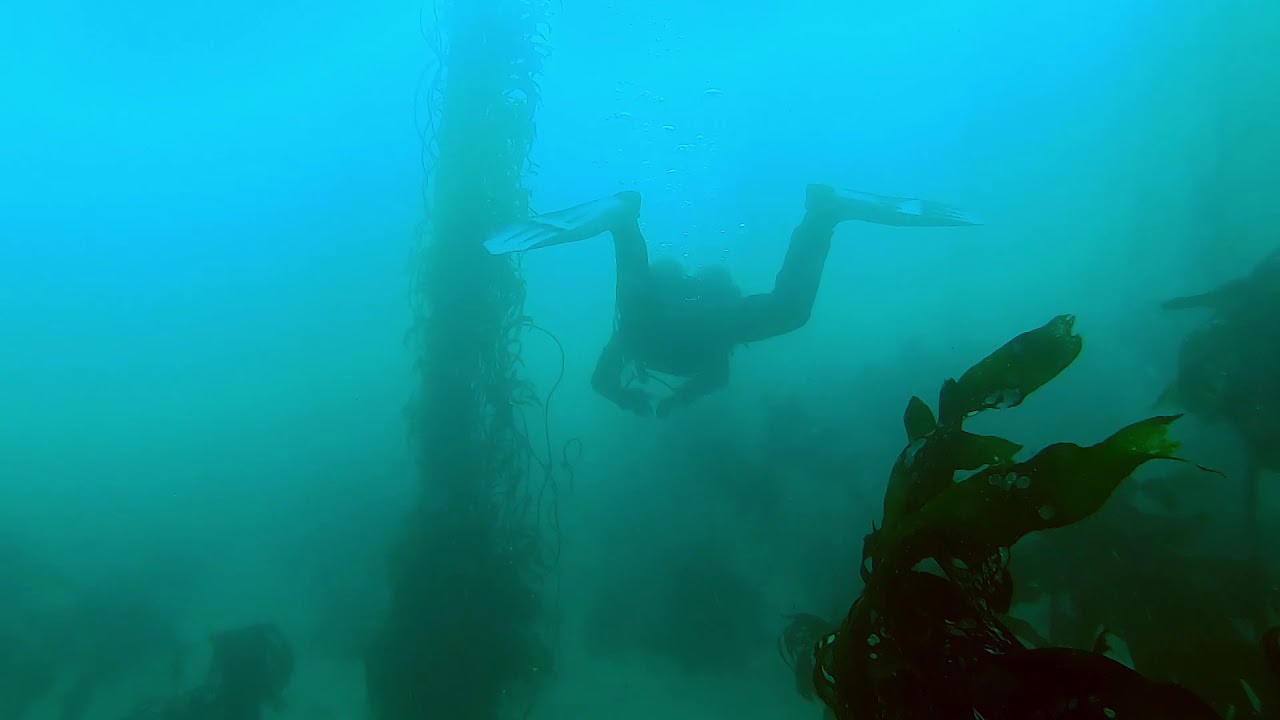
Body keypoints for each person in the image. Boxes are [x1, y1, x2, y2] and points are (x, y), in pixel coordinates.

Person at [485, 184, 980, 417]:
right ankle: (823, 215)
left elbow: (601, 380)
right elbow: (714, 374)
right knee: (791, 310)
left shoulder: (626, 342)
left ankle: (623, 216)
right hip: (704, 323)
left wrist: (637, 398)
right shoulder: (706, 338)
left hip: (655, 325)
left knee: (637, 300)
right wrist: (677, 398)